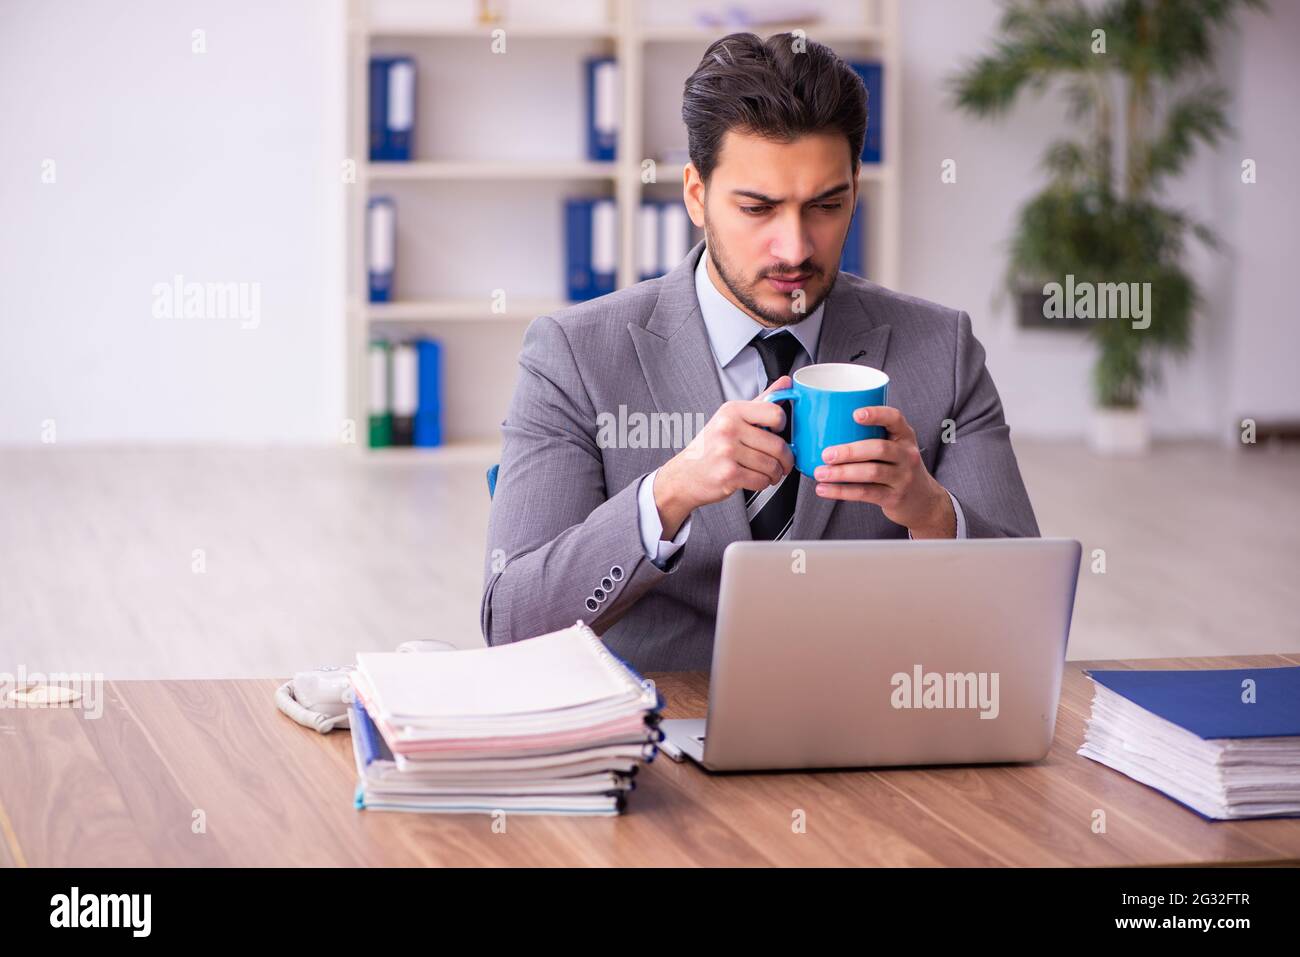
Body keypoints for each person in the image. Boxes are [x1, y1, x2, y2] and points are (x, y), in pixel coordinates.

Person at [482, 32, 1039, 671]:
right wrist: (666, 496)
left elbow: (1028, 616)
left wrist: (933, 514)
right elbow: (513, 622)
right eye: (758, 208)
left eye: (826, 206)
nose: (795, 248)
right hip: (662, 735)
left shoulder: (942, 350)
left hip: (869, 735)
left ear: (855, 191)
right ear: (696, 195)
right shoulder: (575, 356)